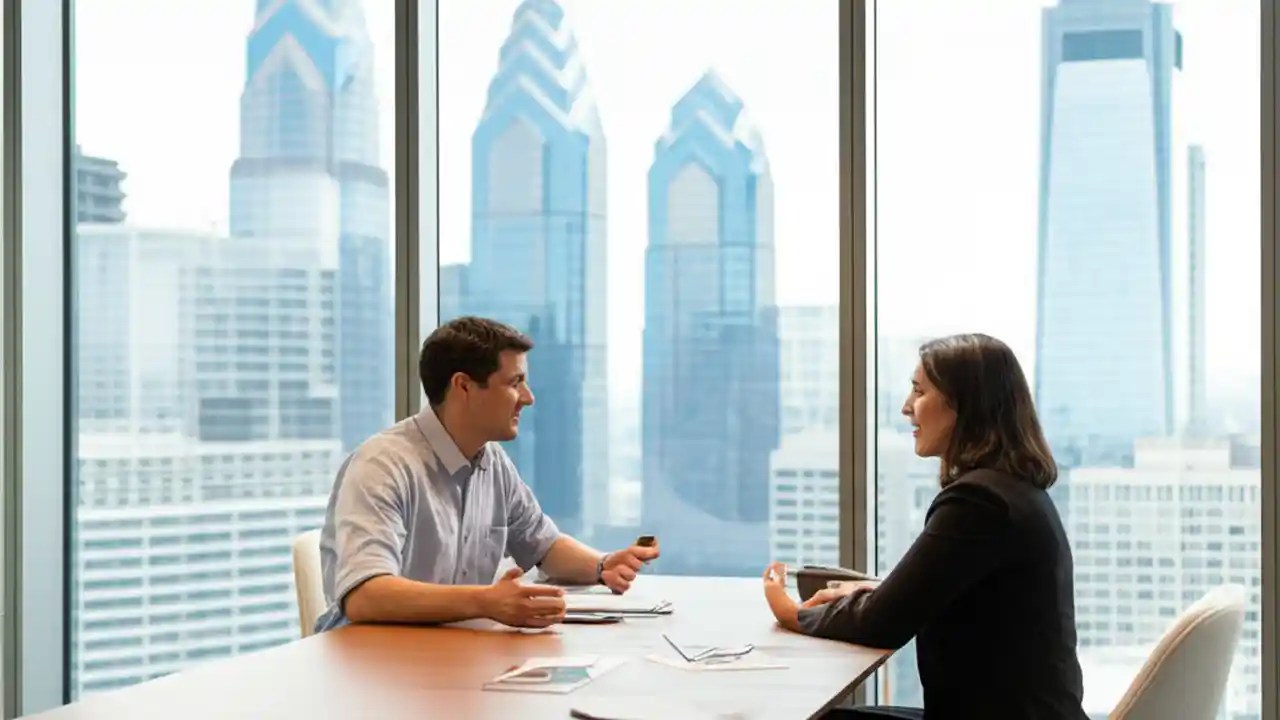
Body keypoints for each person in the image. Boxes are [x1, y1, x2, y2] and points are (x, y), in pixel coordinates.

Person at [763, 333, 1087, 719]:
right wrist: (879, 592)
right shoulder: (1013, 490)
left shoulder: (979, 502)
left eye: (919, 392)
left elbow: (881, 624)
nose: (906, 408)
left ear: (963, 404)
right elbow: (947, 594)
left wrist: (792, 614)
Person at [314, 316, 659, 633]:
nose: (528, 398)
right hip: (371, 666)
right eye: (515, 383)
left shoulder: (491, 461)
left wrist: (602, 565)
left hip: (449, 655)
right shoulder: (382, 466)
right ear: (463, 387)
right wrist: (486, 602)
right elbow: (365, 595)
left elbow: (543, 545)